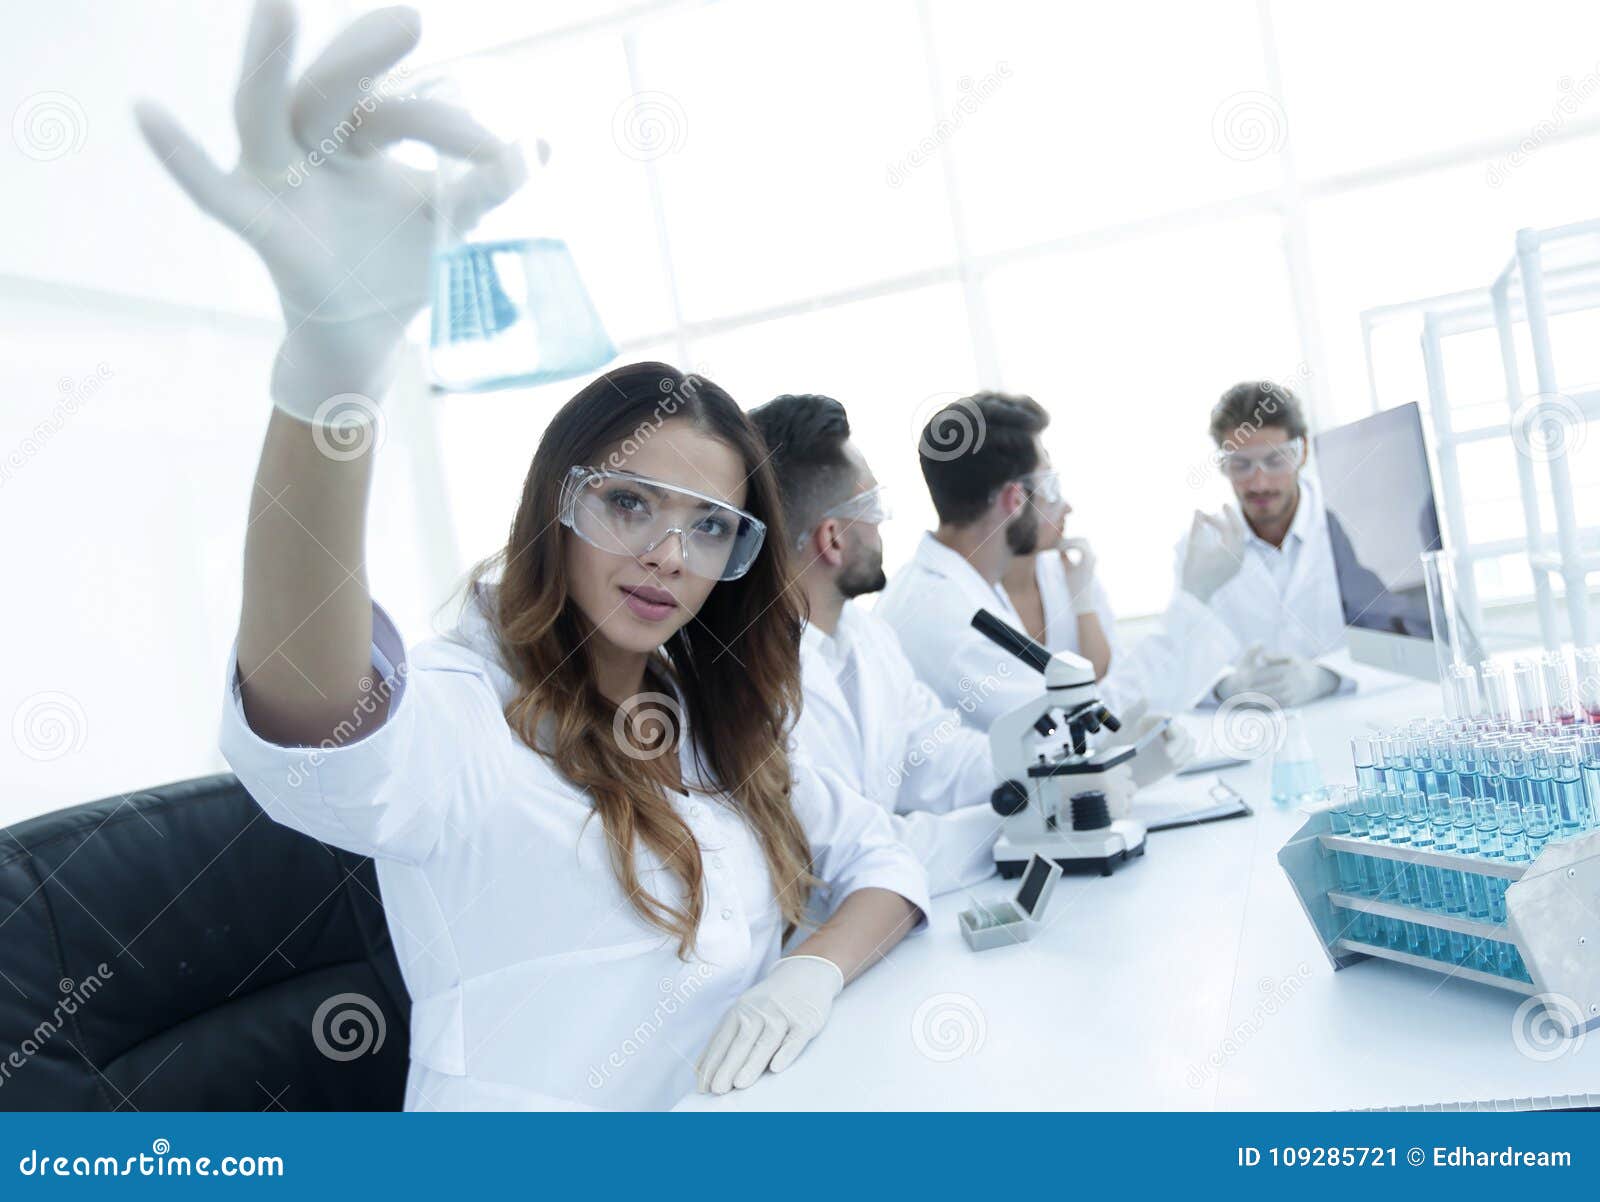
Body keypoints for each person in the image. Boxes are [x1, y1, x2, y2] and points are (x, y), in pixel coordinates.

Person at [139, 0, 927, 1111]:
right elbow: (313, 713)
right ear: (552, 507)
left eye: (710, 525)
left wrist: (809, 968)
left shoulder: (705, 712)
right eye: (628, 502)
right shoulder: (469, 715)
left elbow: (885, 859)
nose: (668, 550)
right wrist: (331, 377)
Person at [877, 392, 1245, 742]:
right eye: (1049, 486)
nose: (1064, 506)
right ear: (1014, 498)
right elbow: (1076, 729)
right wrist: (1195, 598)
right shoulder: (941, 615)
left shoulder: (964, 588)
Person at [749, 395, 1001, 895]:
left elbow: (936, 755)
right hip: (818, 937)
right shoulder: (750, 678)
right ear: (834, 538)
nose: (882, 523)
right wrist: (1013, 824)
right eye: (873, 505)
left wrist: (1037, 765)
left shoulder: (865, 636)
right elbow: (848, 855)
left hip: (892, 927)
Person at [1188, 381, 1353, 708]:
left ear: (1302, 451)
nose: (1259, 482)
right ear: (1222, 463)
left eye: (1275, 461)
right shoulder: (1198, 549)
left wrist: (1328, 676)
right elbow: (1180, 664)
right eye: (1241, 464)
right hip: (1250, 738)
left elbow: (1409, 650)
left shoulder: (1350, 524)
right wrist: (1227, 685)